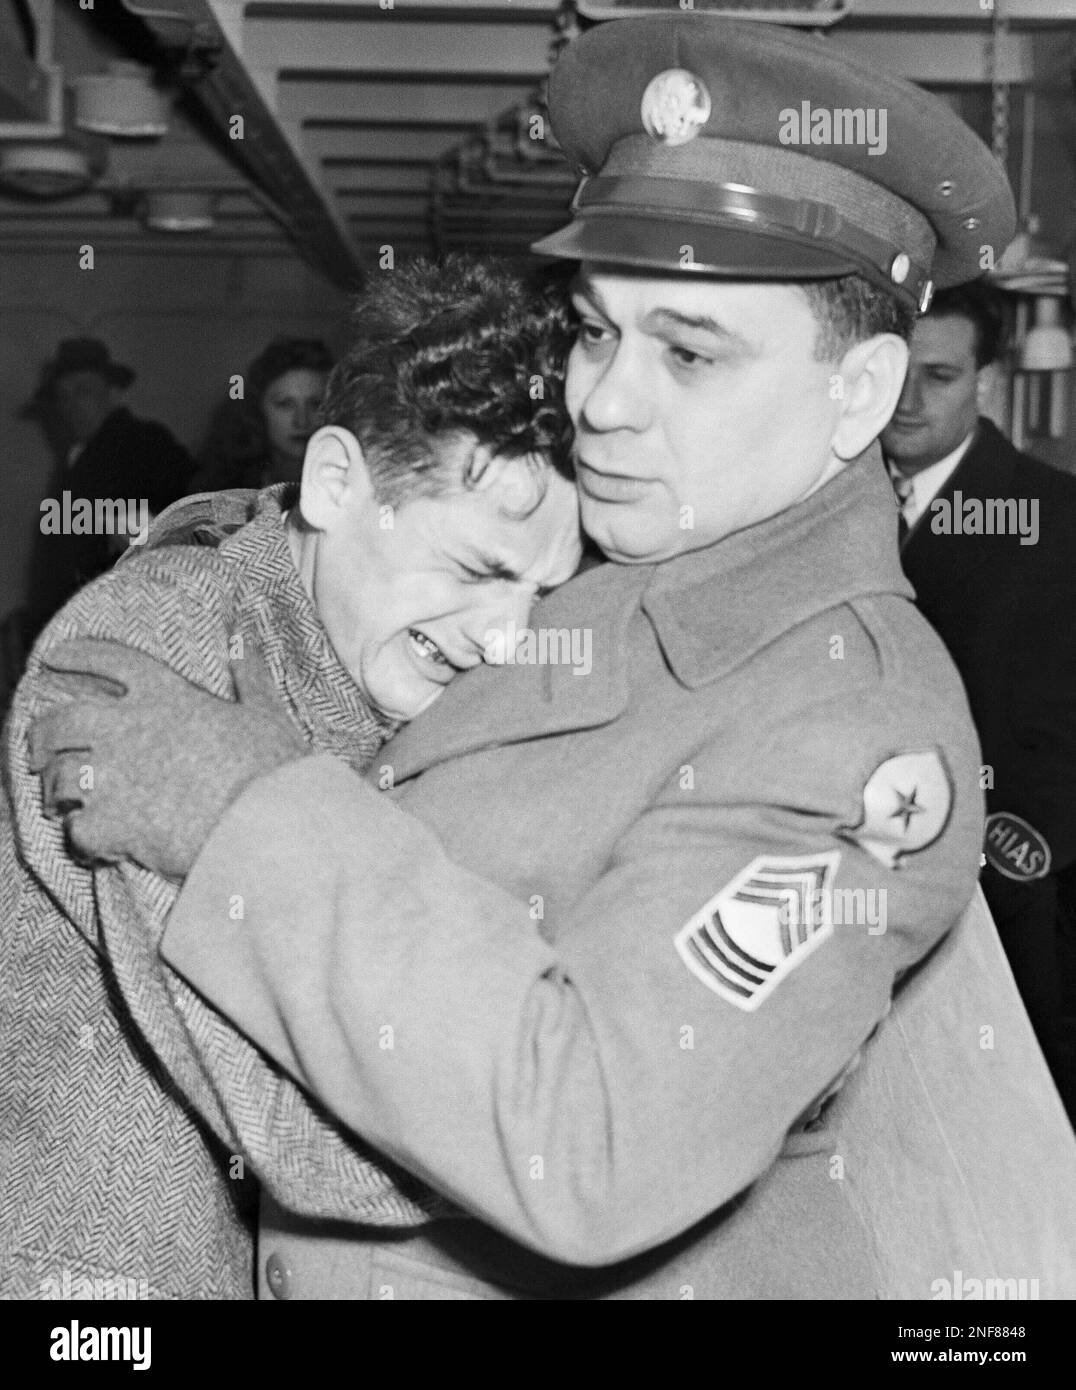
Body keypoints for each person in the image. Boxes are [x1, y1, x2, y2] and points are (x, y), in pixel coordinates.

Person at [28, 14, 1076, 1299]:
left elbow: (593, 1135)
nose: (601, 401)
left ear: (857, 394)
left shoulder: (855, 732)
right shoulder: (622, 562)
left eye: (687, 351)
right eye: (594, 329)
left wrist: (236, 806)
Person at [0, 256, 581, 1300]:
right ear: (332, 483)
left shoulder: (381, 663)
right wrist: (592, 1121)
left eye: (543, 591)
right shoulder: (160, 643)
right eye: (478, 570)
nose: (507, 640)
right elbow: (305, 1130)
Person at [882, 279, 1076, 1122]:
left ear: (988, 383)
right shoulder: (828, 504)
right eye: (896, 372)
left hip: (1012, 909)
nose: (909, 401)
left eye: (941, 376)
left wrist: (998, 859)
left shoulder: (1057, 519)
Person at [22, 338, 195, 637]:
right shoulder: (77, 458)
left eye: (82, 391)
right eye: (62, 397)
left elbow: (186, 521)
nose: (70, 406)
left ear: (114, 393)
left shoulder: (144, 443)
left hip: (123, 628)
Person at [195, 338, 334, 491]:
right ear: (257, 410)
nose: (302, 421)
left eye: (316, 404)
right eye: (285, 404)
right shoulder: (225, 489)